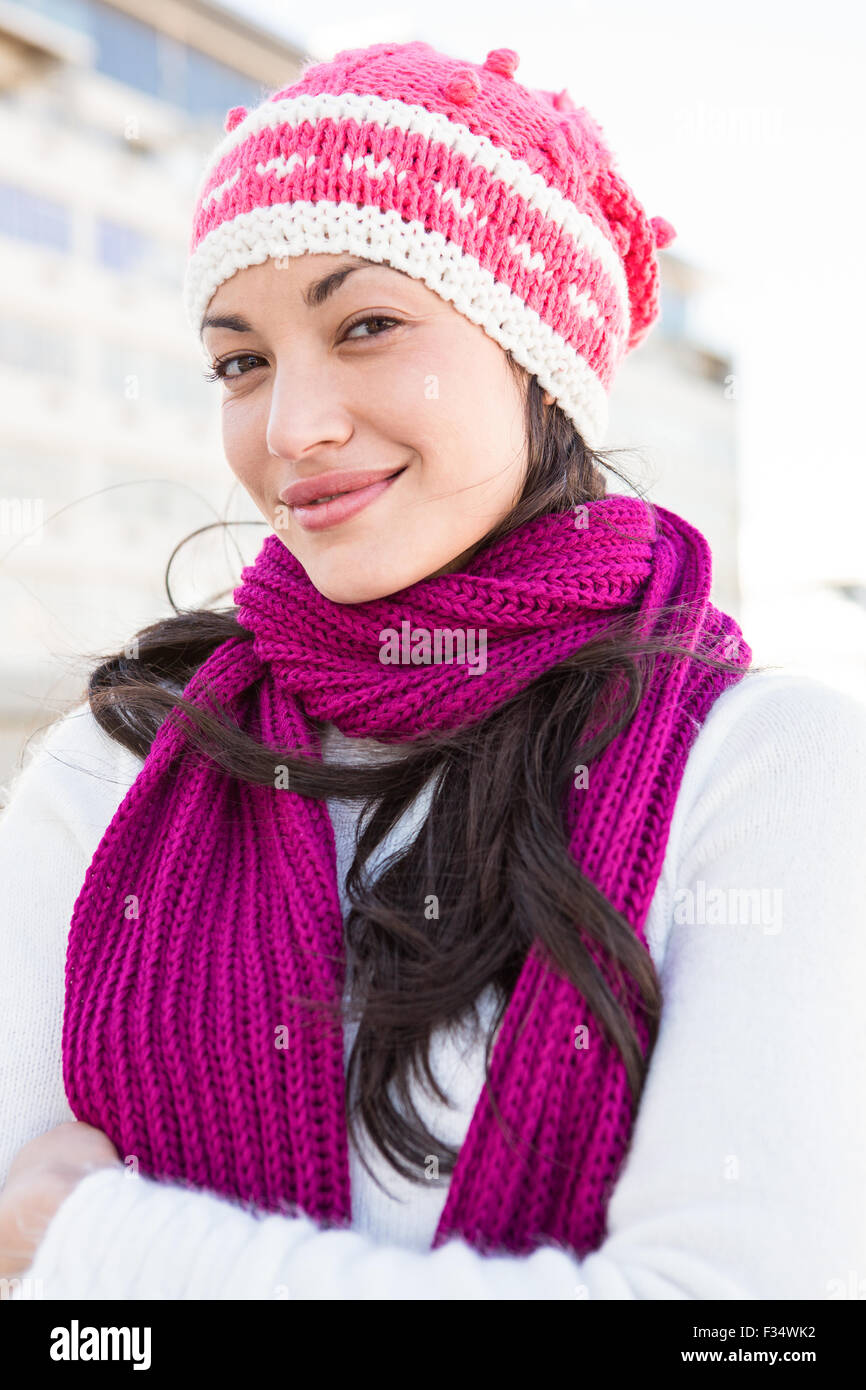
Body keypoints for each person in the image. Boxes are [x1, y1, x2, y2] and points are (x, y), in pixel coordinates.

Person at [1, 39, 865, 1301]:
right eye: (241, 361)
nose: (291, 427)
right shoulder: (117, 761)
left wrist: (101, 1248)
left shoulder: (763, 765)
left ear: (539, 363)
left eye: (366, 325)